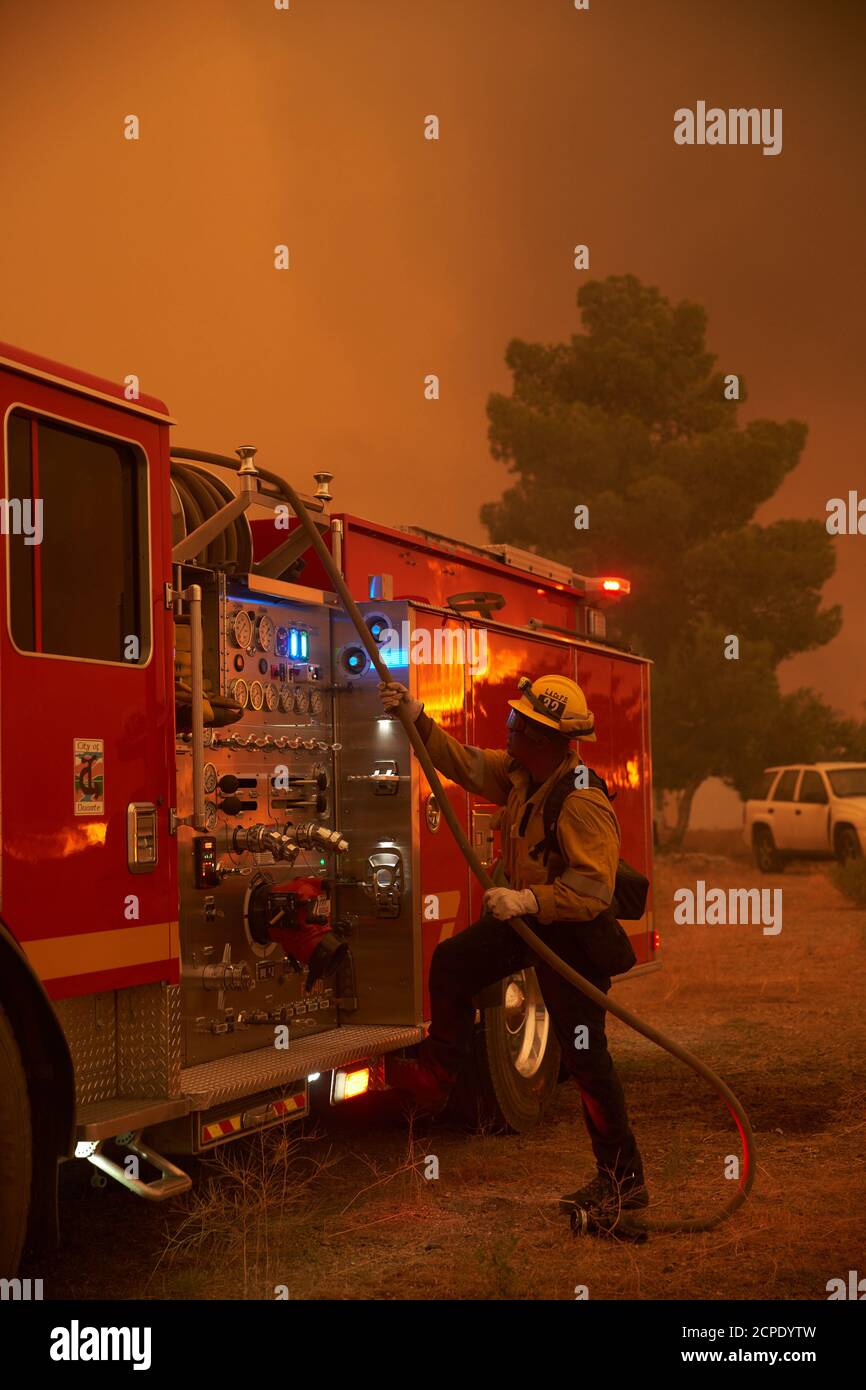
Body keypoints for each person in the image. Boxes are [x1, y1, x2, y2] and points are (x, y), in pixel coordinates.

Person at [378, 672, 649, 1216]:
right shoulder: (526, 775)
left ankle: (623, 1184)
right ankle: (440, 1075)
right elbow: (468, 764)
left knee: (587, 1060)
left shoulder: (582, 801)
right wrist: (416, 717)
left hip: (571, 938)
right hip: (530, 927)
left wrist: (529, 902)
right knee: (454, 962)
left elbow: (594, 889)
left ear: (544, 739)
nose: (506, 732)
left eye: (516, 725)